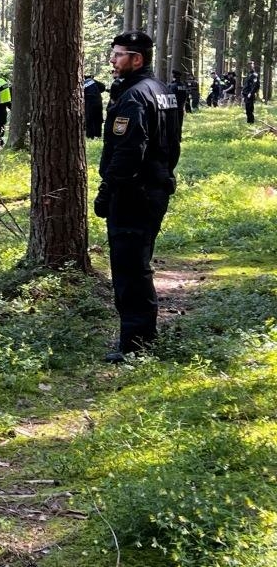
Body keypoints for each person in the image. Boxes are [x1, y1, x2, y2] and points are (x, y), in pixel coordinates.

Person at [92, 31, 181, 363]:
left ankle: (135, 344)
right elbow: (172, 145)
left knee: (130, 269)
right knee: (137, 265)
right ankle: (141, 337)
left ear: (137, 59)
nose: (113, 61)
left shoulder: (134, 97)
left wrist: (107, 190)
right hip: (154, 188)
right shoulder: (162, 92)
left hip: (134, 194)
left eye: (118, 55)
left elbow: (128, 152)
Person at [83, 73, 107, 138]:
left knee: (89, 119)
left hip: (89, 103)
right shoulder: (92, 80)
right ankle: (98, 135)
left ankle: (90, 136)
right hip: (98, 102)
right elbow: (103, 87)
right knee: (98, 118)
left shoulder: (81, 83)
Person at [167, 70, 188, 135]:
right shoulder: (183, 85)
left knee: (173, 124)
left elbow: (170, 97)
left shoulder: (172, 86)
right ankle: (179, 136)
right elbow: (185, 96)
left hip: (173, 108)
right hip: (180, 107)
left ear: (174, 76)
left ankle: (174, 137)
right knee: (180, 123)